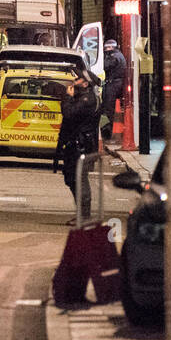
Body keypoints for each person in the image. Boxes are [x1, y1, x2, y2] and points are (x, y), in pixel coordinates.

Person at [55, 71, 102, 224]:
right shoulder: (82, 97)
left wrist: (67, 98)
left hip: (81, 146)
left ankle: (84, 216)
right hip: (75, 144)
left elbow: (68, 114)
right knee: (71, 178)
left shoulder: (87, 99)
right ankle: (81, 213)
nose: (75, 80)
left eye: (79, 79)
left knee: (79, 179)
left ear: (86, 84)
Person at [101, 38, 127, 141]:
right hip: (117, 83)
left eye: (107, 48)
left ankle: (113, 128)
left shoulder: (113, 56)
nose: (106, 49)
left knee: (109, 106)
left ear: (111, 47)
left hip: (114, 84)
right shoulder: (118, 55)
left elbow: (105, 66)